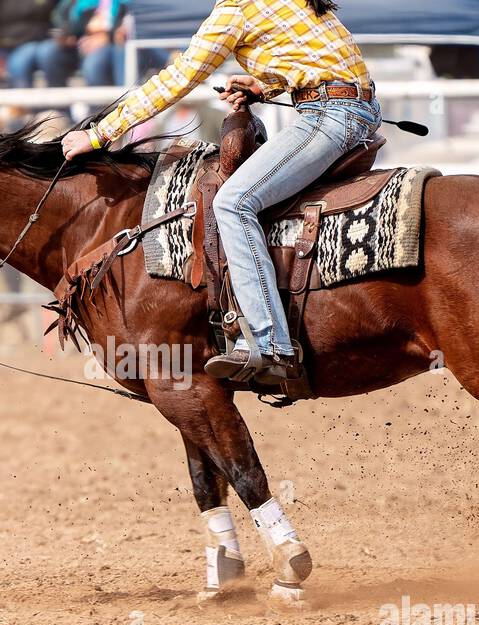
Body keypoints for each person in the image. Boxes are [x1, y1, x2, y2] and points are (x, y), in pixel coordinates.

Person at [63, 0, 379, 384]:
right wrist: (264, 86)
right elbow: (321, 63)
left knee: (233, 203)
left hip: (329, 115)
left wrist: (100, 133)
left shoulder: (237, 8)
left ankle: (269, 342)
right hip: (352, 109)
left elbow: (179, 78)